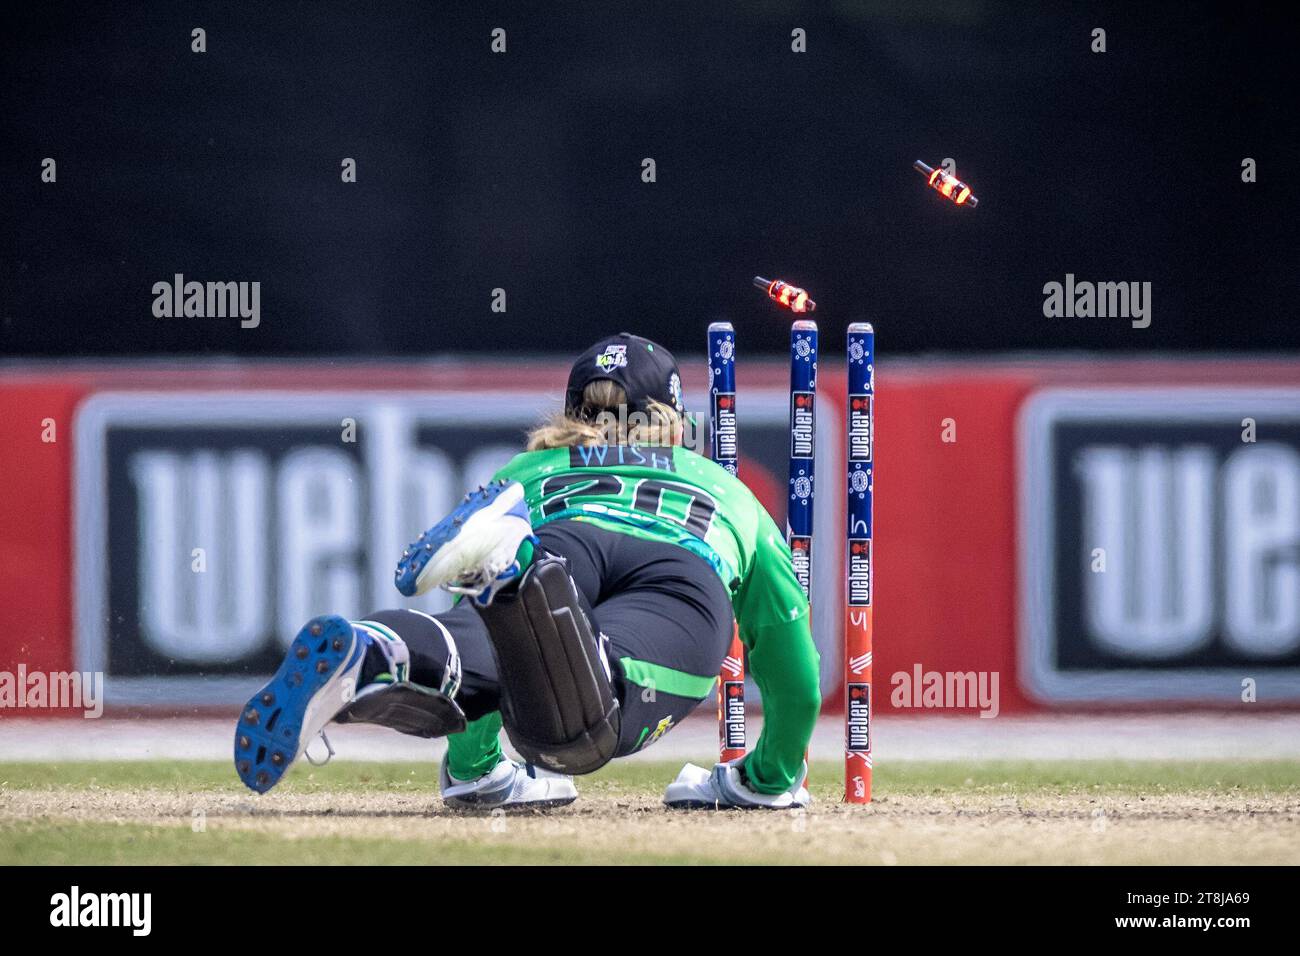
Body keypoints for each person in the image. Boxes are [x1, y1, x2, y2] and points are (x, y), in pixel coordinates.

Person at [233, 332, 820, 810]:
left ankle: (373, 647)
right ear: (672, 419)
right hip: (679, 568)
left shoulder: (535, 467)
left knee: (479, 648)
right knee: (583, 731)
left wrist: (474, 769)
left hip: (565, 539)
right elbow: (795, 675)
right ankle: (517, 585)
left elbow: (484, 692)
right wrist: (766, 778)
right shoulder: (725, 489)